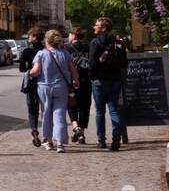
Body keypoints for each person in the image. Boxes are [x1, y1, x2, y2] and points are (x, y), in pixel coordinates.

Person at [30, 28, 80, 152]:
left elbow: (35, 72)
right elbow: (73, 70)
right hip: (61, 87)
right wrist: (75, 80)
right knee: (59, 114)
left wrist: (29, 73)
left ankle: (48, 141)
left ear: (46, 40)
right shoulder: (65, 53)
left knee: (46, 113)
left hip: (44, 87)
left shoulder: (41, 54)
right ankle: (60, 144)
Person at [88, 16, 124, 151]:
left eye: (96, 25)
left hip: (99, 81)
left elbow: (91, 63)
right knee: (114, 110)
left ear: (103, 28)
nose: (94, 27)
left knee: (99, 111)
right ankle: (116, 140)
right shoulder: (118, 42)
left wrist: (92, 77)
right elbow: (124, 62)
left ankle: (101, 141)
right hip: (114, 79)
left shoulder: (95, 42)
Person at [17, 27, 43, 147]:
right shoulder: (45, 50)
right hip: (44, 81)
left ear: (34, 37)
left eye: (30, 36)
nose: (28, 38)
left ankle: (34, 129)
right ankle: (49, 135)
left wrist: (29, 66)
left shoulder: (27, 51)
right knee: (46, 109)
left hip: (32, 82)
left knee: (32, 109)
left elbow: (21, 68)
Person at [67, 27, 93, 144]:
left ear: (73, 35)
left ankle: (75, 127)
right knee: (85, 106)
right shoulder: (89, 47)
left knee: (72, 105)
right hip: (86, 80)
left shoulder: (67, 48)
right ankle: (81, 134)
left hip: (72, 81)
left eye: (70, 34)